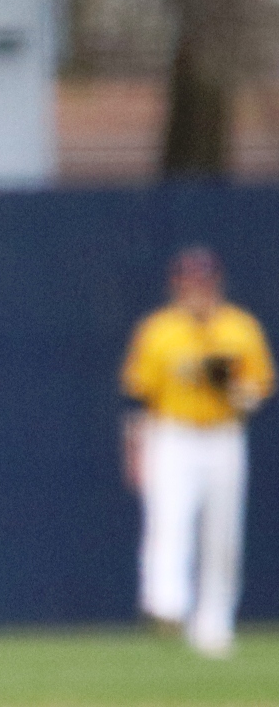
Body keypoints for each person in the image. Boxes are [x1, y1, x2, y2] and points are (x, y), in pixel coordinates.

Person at [121, 245, 273, 658]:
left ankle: (214, 625)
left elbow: (257, 392)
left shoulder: (240, 328)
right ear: (176, 285)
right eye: (189, 281)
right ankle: (167, 604)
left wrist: (226, 384)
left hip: (223, 434)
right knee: (169, 519)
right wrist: (135, 448)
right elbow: (137, 395)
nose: (197, 289)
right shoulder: (159, 330)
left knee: (222, 535)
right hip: (173, 434)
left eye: (204, 281)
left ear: (217, 283)